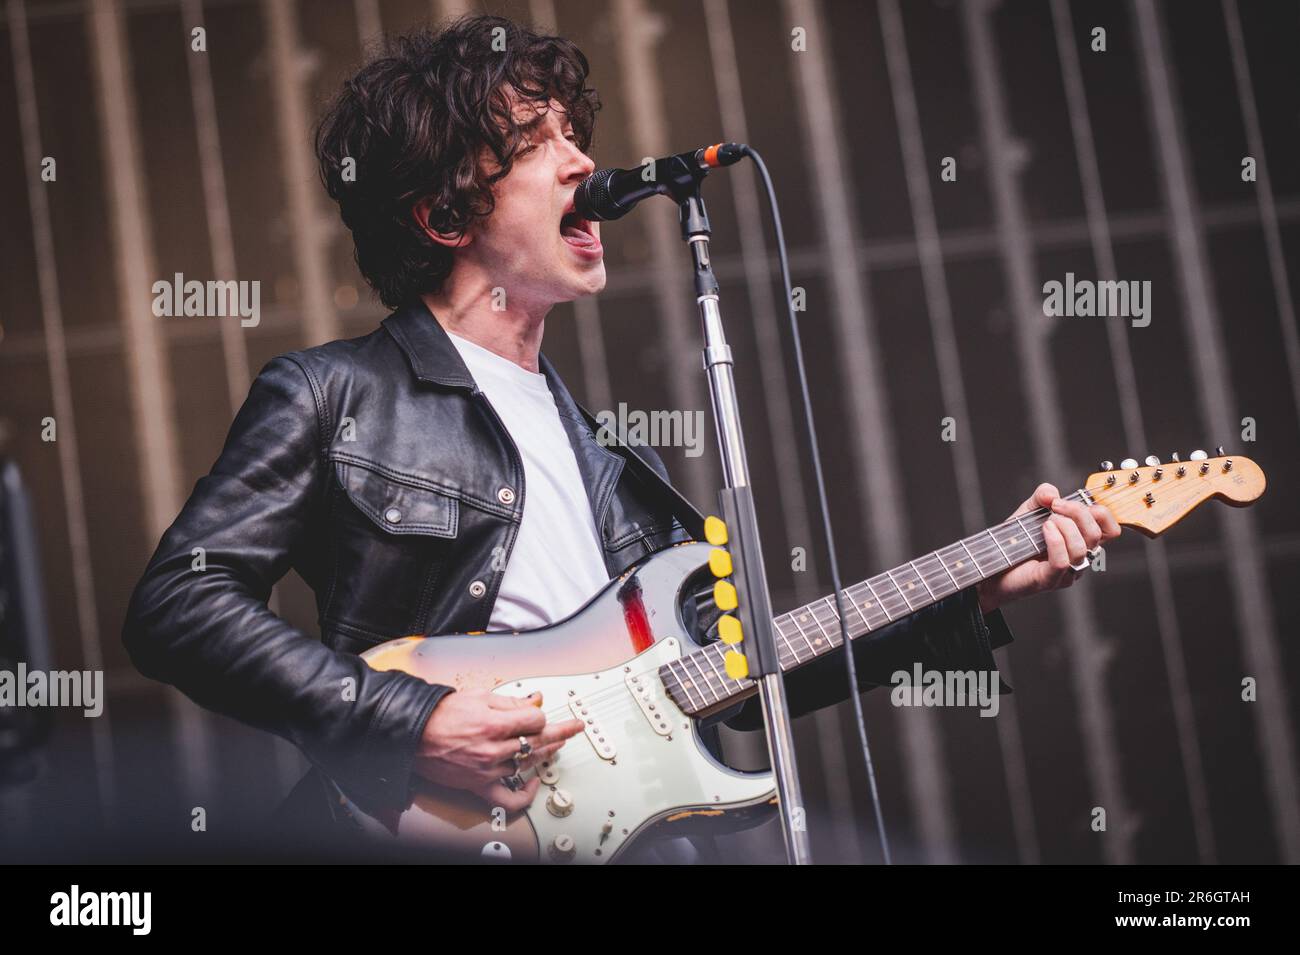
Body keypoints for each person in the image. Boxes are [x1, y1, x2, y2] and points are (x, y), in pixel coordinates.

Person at [121, 14, 1119, 862]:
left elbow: (733, 678)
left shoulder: (604, 460)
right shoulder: (334, 393)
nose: (584, 163)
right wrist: (410, 719)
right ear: (441, 212)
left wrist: (971, 597)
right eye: (536, 142)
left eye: (575, 133)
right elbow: (178, 602)